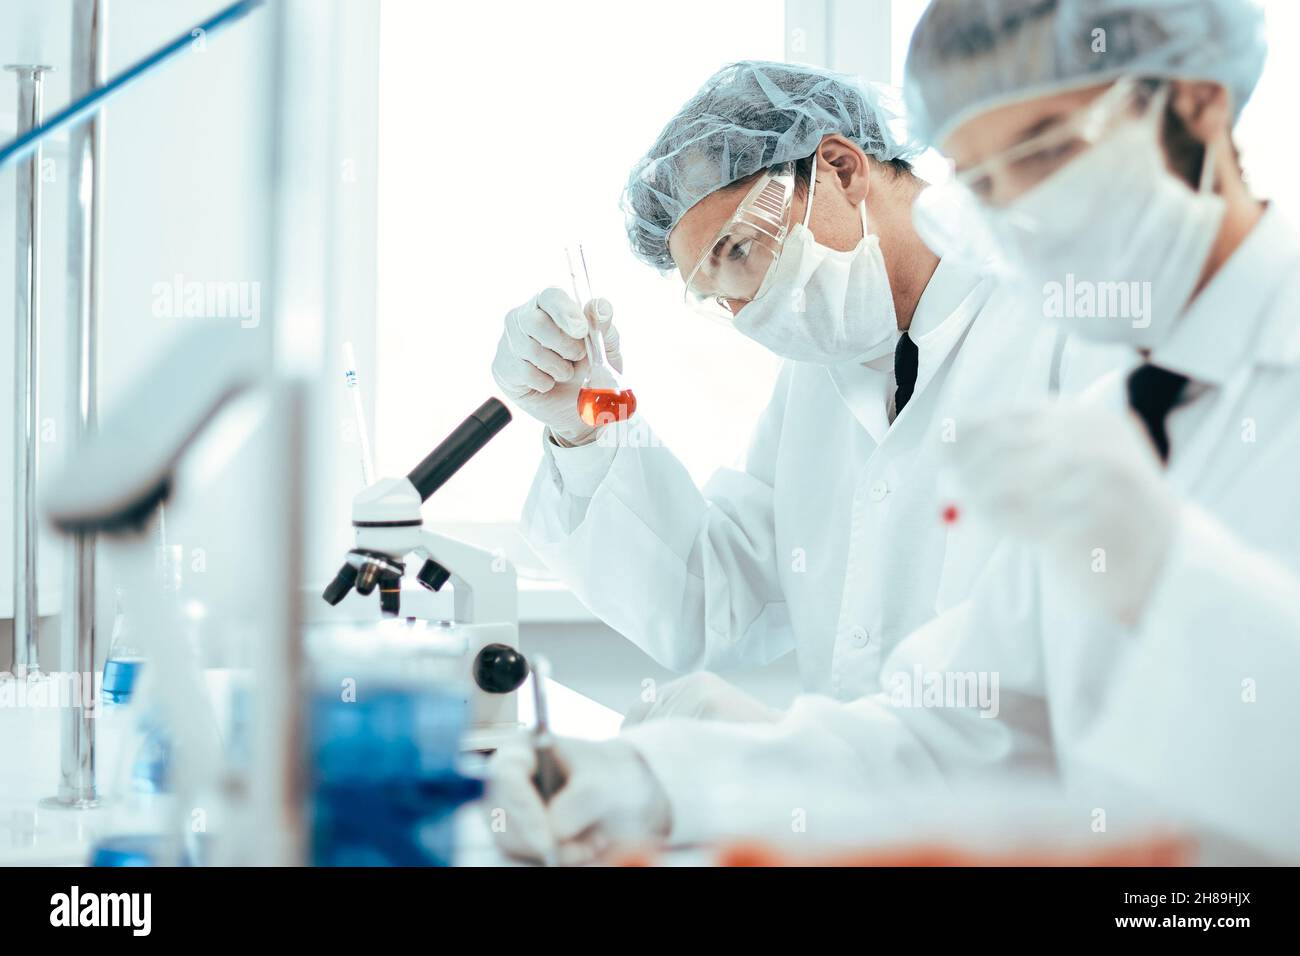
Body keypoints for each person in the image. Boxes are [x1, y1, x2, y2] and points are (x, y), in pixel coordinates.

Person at [488, 0, 1300, 865]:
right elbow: (948, 734)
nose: (1026, 218)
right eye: (987, 186)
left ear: (1198, 102)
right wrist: (661, 781)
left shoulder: (1088, 359)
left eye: (1050, 152)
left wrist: (1170, 574)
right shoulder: (1109, 404)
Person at [491, 61, 1119, 730]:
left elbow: (1097, 648)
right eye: (715, 293)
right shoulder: (828, 362)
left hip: (1039, 820)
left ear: (841, 169)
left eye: (737, 249)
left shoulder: (1069, 315)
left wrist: (792, 747)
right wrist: (588, 418)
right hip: (863, 814)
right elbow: (717, 603)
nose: (744, 305)